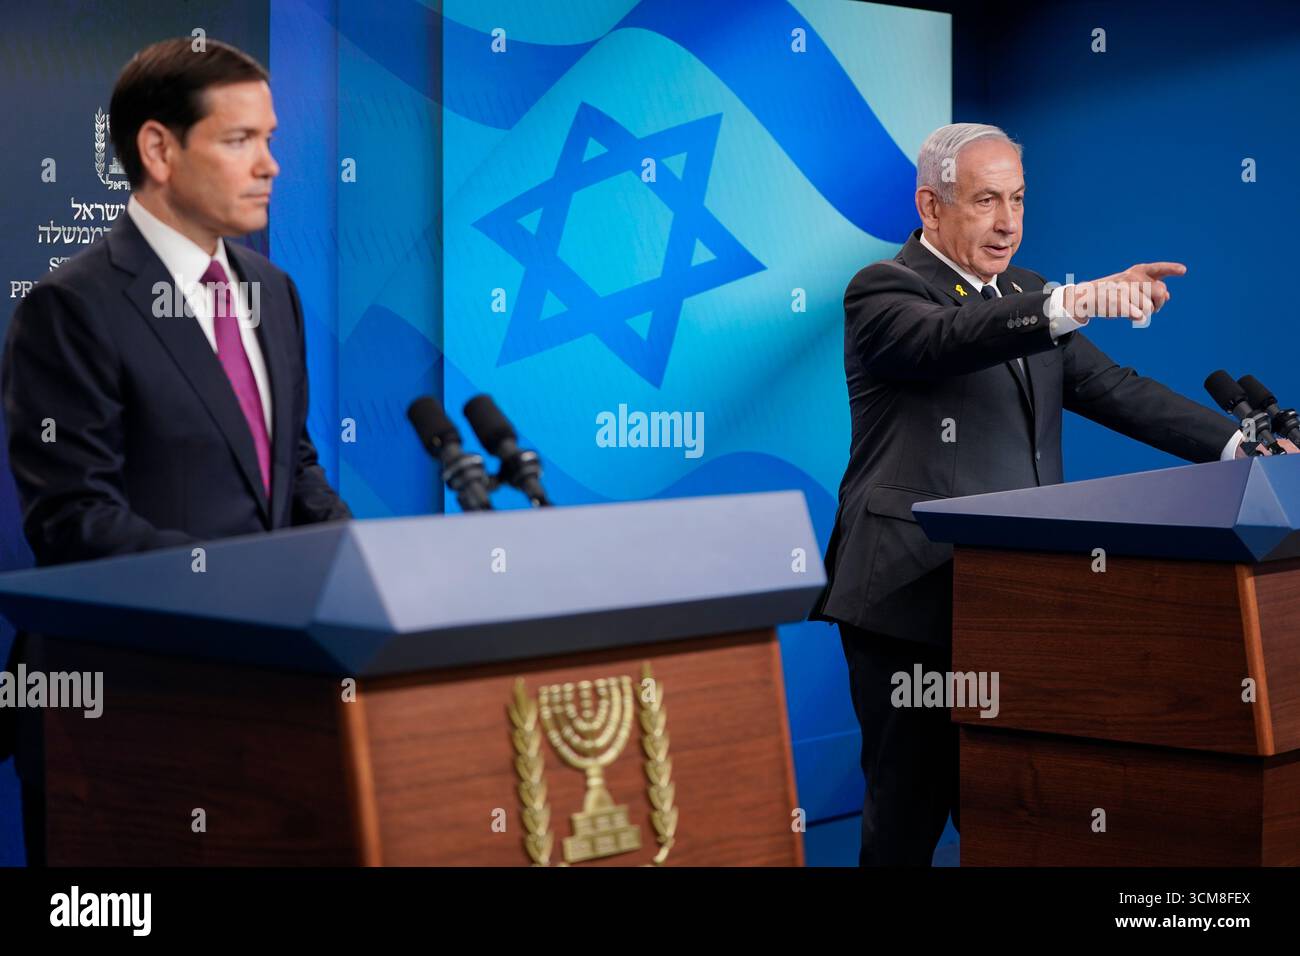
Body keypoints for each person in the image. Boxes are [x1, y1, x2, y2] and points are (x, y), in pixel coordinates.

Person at [809, 122, 1294, 866]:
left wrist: (1241, 449)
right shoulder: (883, 291)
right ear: (931, 207)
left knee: (1016, 810)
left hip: (1020, 602)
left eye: (1019, 199)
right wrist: (1076, 301)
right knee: (907, 816)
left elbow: (1114, 391)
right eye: (985, 201)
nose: (1008, 222)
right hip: (909, 603)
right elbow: (952, 338)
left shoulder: (1031, 293)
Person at [0, 38, 351, 865]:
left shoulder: (272, 290)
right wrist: (248, 594)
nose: (270, 165)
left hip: (268, 701)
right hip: (127, 709)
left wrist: (362, 564)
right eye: (240, 141)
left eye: (270, 139)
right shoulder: (70, 307)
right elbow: (75, 522)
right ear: (158, 149)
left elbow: (288, 469)